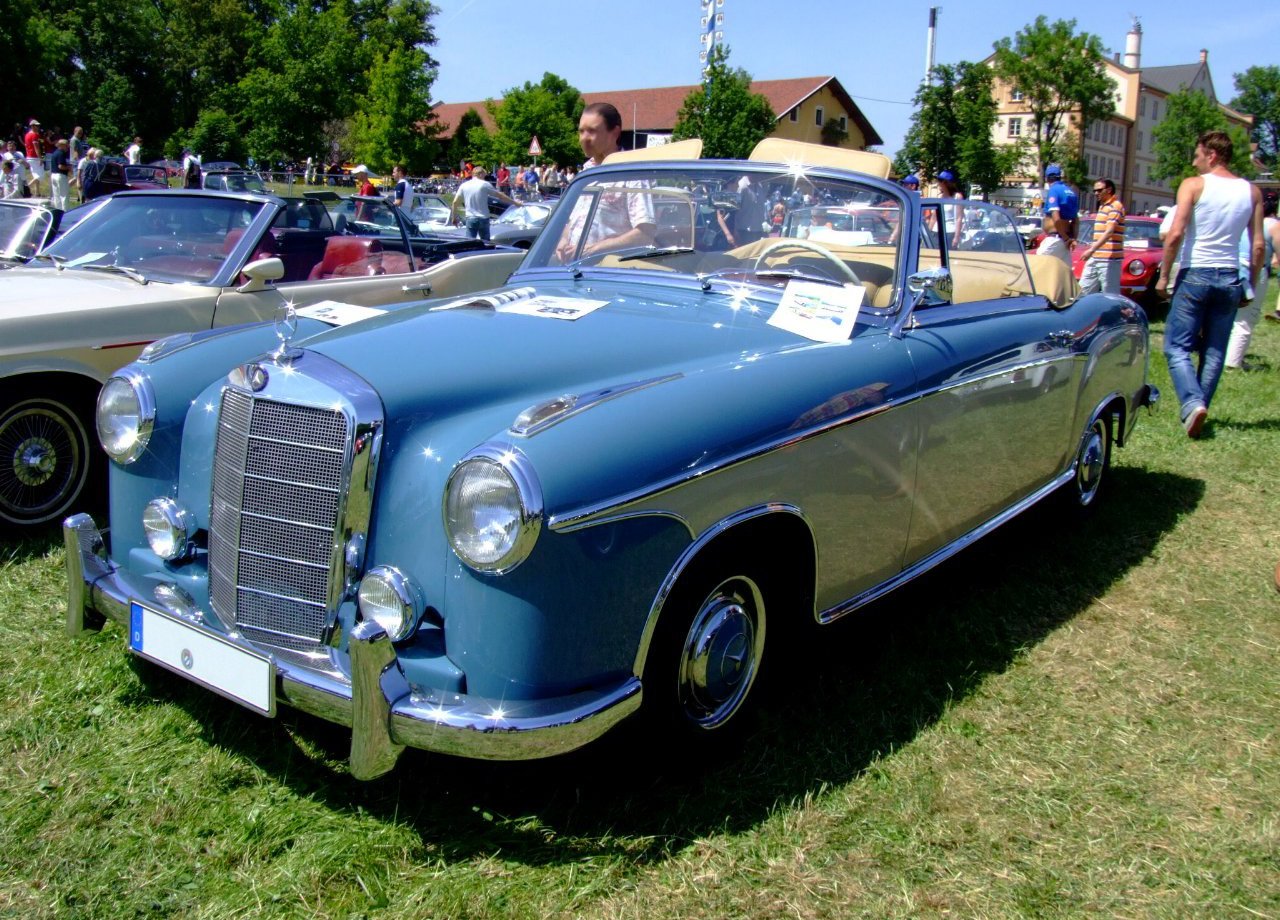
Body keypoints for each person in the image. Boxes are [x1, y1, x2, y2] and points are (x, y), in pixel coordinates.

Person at [1156, 130, 1264, 438]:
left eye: (1197, 155)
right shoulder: (1252, 192)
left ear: (1211, 155)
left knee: (1176, 347)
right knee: (1215, 350)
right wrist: (1250, 283)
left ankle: (1192, 403)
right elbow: (1258, 246)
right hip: (1230, 277)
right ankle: (1197, 411)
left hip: (1196, 273)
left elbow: (1175, 234)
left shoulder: (1193, 185)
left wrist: (1164, 276)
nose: (1194, 162)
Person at [554, 102, 655, 262]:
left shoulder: (631, 175)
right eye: (581, 131)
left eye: (592, 131)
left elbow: (645, 233)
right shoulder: (585, 173)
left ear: (615, 132)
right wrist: (564, 241)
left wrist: (594, 249)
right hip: (575, 269)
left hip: (610, 270)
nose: (584, 138)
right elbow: (573, 222)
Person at [1225, 198, 1278, 366]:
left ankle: (1217, 354)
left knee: (1225, 315)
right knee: (1246, 318)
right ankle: (1233, 362)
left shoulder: (1239, 220)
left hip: (1230, 267)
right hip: (1254, 269)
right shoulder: (1274, 226)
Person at [1078, 178, 1125, 295]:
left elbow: (1109, 232)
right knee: (1082, 292)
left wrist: (1091, 250)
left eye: (1099, 190)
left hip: (1109, 259)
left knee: (1110, 295)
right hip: (1095, 257)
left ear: (1109, 190)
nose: (1096, 193)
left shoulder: (1115, 206)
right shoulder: (1102, 206)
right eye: (1094, 191)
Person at [452, 166, 517, 241]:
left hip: (470, 218)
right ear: (480, 174)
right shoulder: (485, 184)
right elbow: (500, 196)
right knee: (486, 243)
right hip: (483, 218)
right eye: (484, 175)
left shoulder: (464, 185)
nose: (484, 177)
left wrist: (454, 218)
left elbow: (455, 202)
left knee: (469, 242)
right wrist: (515, 203)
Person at [1038, 163, 1079, 267]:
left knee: (1036, 265)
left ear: (1047, 178)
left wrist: (1066, 238)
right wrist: (1072, 239)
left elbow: (1056, 217)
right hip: (1065, 240)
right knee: (1063, 272)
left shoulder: (1054, 190)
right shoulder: (1071, 192)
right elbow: (1076, 220)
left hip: (1055, 238)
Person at [48, 138, 71, 210]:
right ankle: (65, 211)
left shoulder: (55, 153)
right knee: (64, 195)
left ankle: (58, 210)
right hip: (60, 175)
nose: (67, 147)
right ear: (62, 145)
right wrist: (69, 167)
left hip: (53, 175)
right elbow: (61, 166)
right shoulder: (61, 153)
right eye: (66, 145)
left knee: (56, 195)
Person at [23, 119, 44, 196]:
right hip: (35, 157)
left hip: (29, 156)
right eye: (36, 125)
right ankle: (26, 187)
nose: (38, 127)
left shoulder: (27, 135)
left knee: (35, 175)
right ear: (32, 126)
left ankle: (37, 192)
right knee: (40, 175)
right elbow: (36, 148)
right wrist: (40, 158)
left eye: (38, 125)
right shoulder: (34, 135)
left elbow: (26, 146)